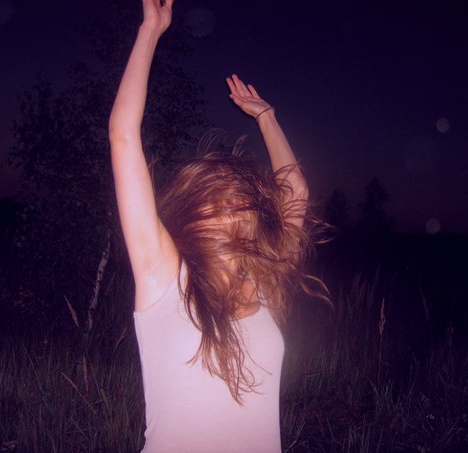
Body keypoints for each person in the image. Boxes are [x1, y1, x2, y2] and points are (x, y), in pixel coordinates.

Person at [109, 1, 324, 451]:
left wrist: (266, 116)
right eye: (218, 199)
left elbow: (296, 192)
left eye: (240, 199)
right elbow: (123, 135)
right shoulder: (164, 279)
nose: (234, 206)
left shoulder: (263, 281)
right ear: (193, 215)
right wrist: (150, 30)